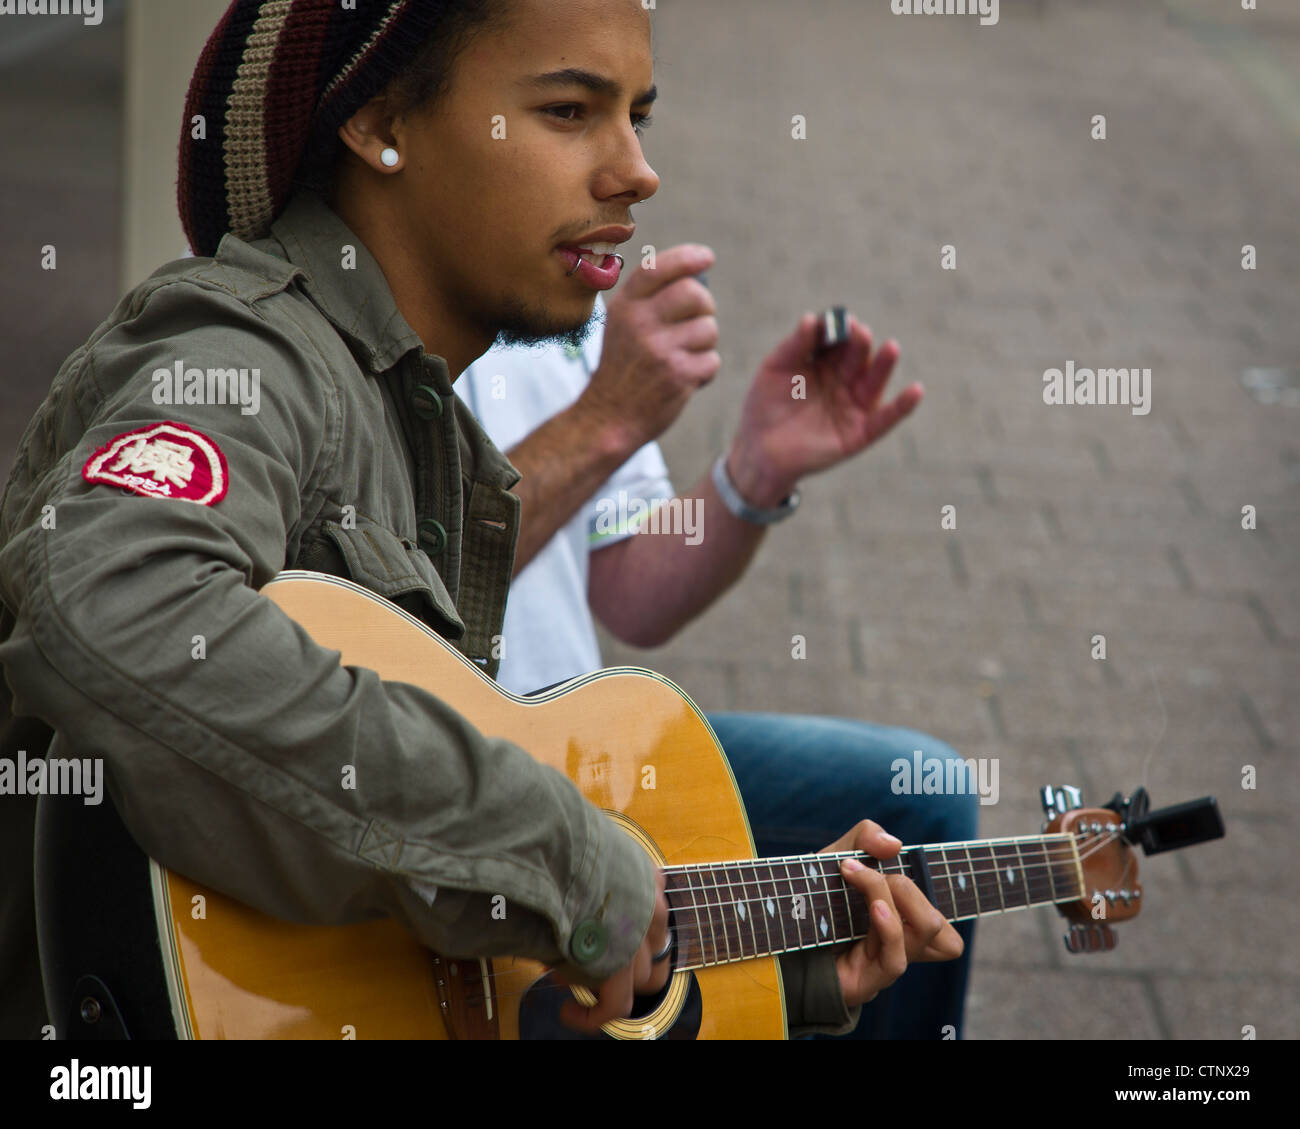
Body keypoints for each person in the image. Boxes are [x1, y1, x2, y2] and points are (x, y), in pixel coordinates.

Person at [0, 0, 962, 1041]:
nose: (635, 171)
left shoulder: (428, 425)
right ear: (378, 126)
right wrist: (566, 860)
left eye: (638, 116)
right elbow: (117, 601)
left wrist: (749, 966)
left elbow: (400, 916)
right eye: (566, 111)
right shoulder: (245, 357)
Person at [456, 273, 978, 1038]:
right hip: (446, 785)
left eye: (635, 141)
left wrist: (753, 474)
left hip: (589, 751)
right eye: (577, 139)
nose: (637, 175)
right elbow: (374, 602)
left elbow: (631, 591)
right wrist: (606, 417)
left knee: (925, 800)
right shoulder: (282, 327)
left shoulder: (561, 279)